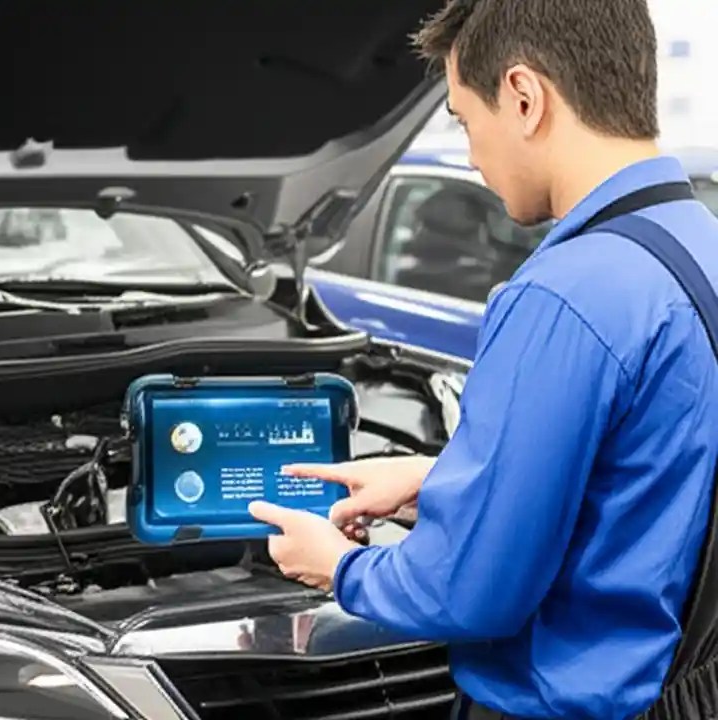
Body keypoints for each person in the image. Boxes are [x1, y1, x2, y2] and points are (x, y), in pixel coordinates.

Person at [246, 0, 718, 718]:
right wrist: (443, 479)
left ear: (525, 98)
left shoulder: (565, 296)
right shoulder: (700, 250)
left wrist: (339, 566)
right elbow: (660, 478)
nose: (470, 152)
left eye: (466, 120)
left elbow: (470, 592)